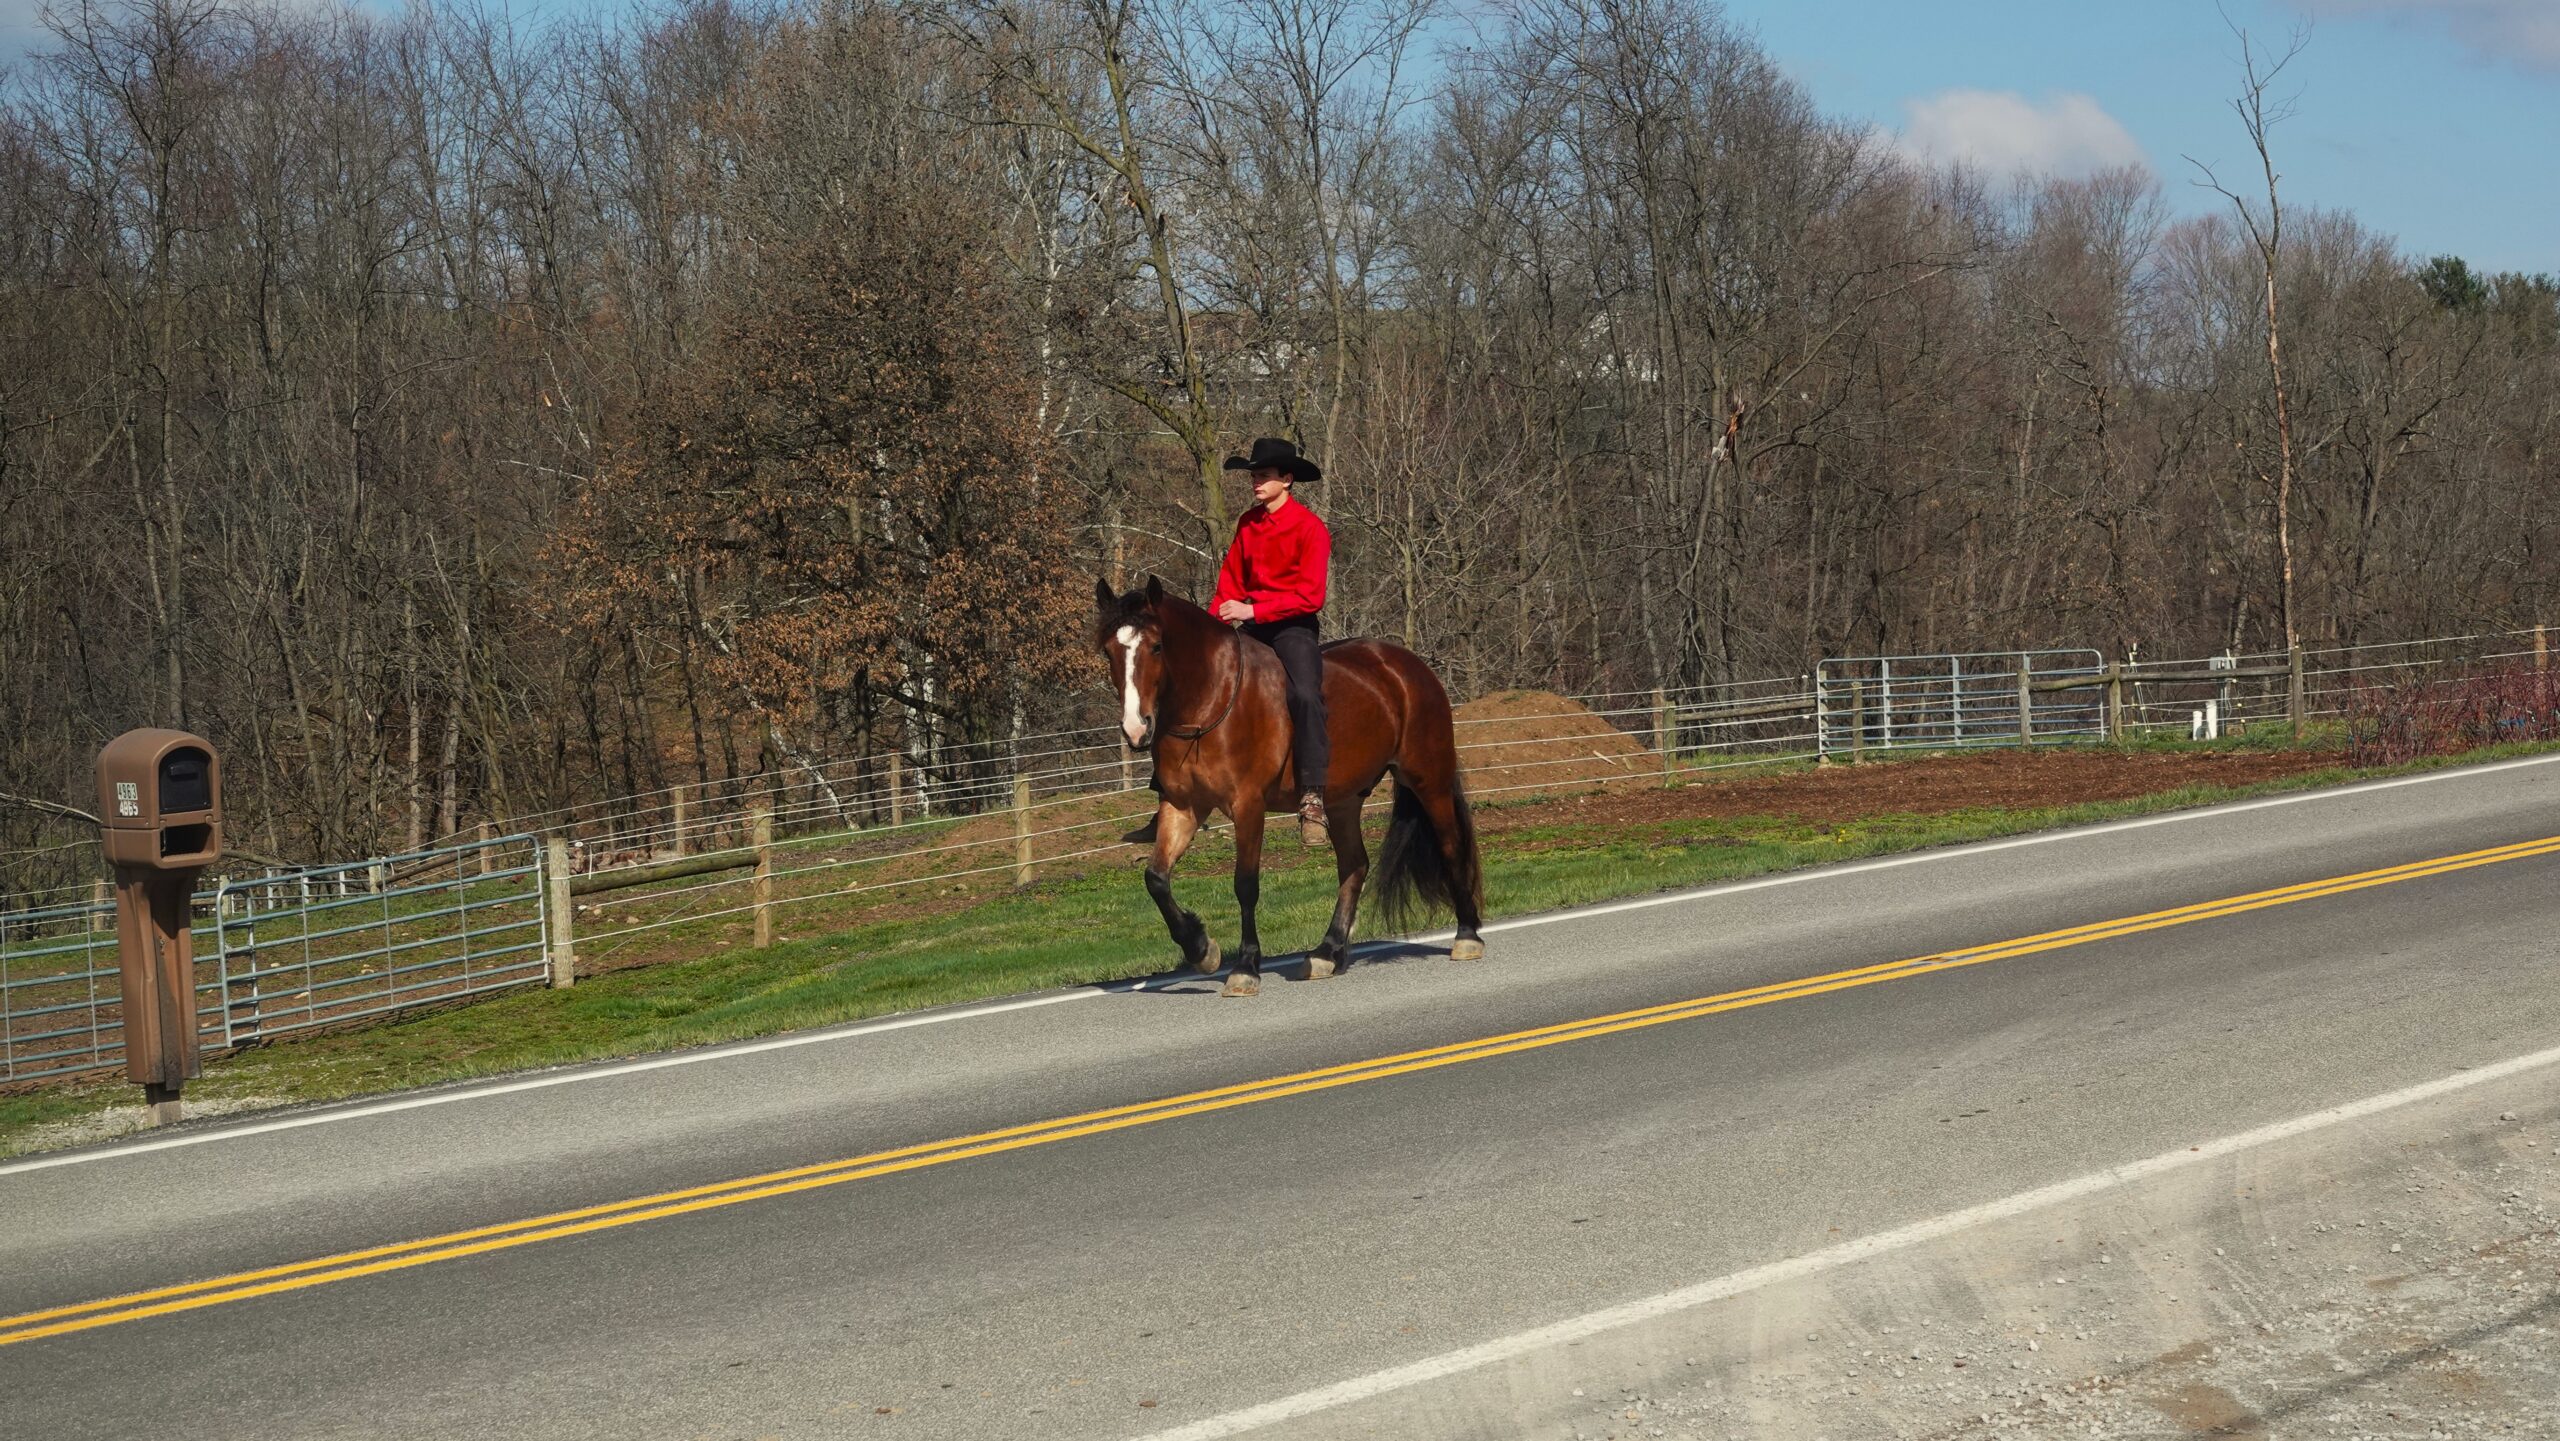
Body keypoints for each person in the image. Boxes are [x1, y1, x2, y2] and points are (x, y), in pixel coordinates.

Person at [1123, 437, 1335, 848]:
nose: (1255, 481)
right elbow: (1230, 585)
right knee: (1184, 685)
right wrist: (1212, 624)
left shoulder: (1312, 528)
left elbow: (1311, 596)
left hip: (1292, 628)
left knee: (1307, 696)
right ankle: (1166, 794)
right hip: (1247, 626)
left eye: (1263, 475)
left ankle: (1312, 800)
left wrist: (1252, 612)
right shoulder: (1247, 523)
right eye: (1253, 475)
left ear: (1287, 480)